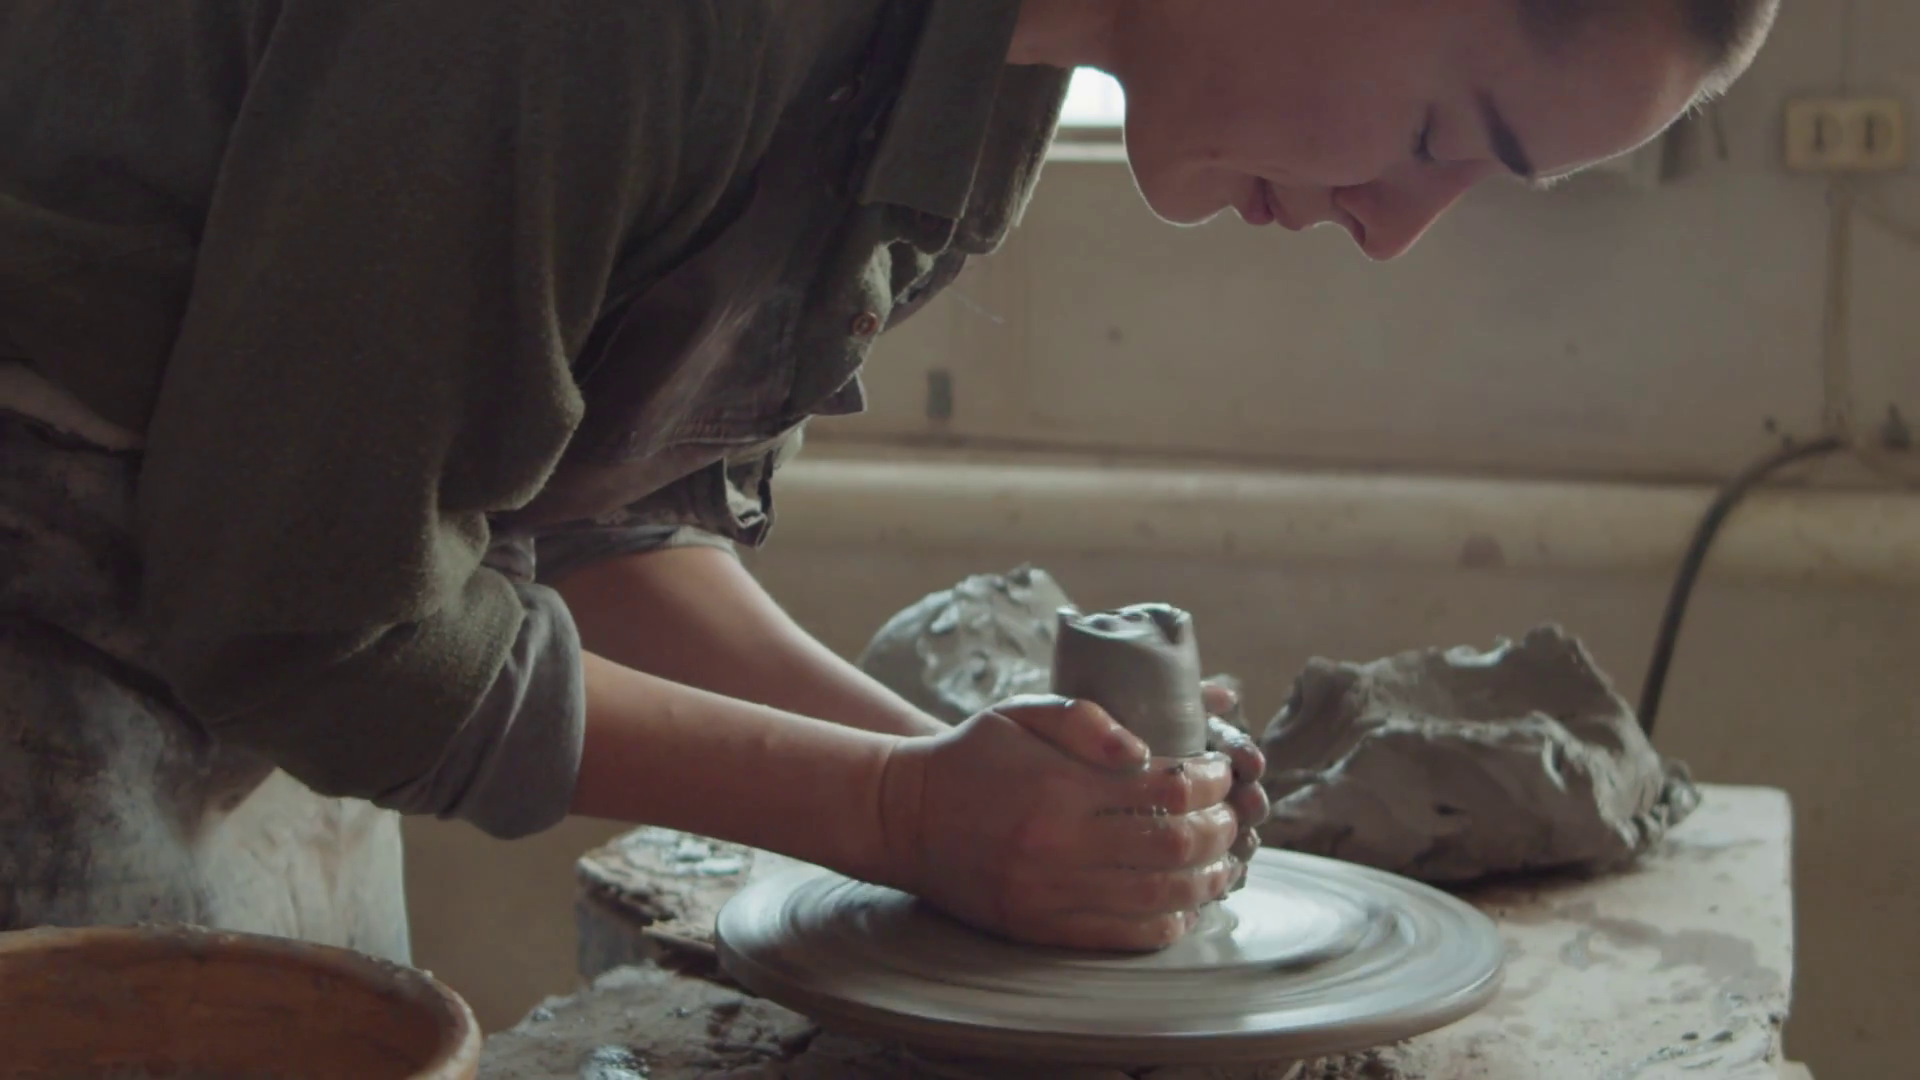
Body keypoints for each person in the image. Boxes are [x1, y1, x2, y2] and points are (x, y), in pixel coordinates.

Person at [0, 0, 1777, 964]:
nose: (1398, 231)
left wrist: (991, 799)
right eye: (1443, 133)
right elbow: (315, 607)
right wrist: (890, 817)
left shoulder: (993, 62)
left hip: (242, 655)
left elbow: (576, 511)